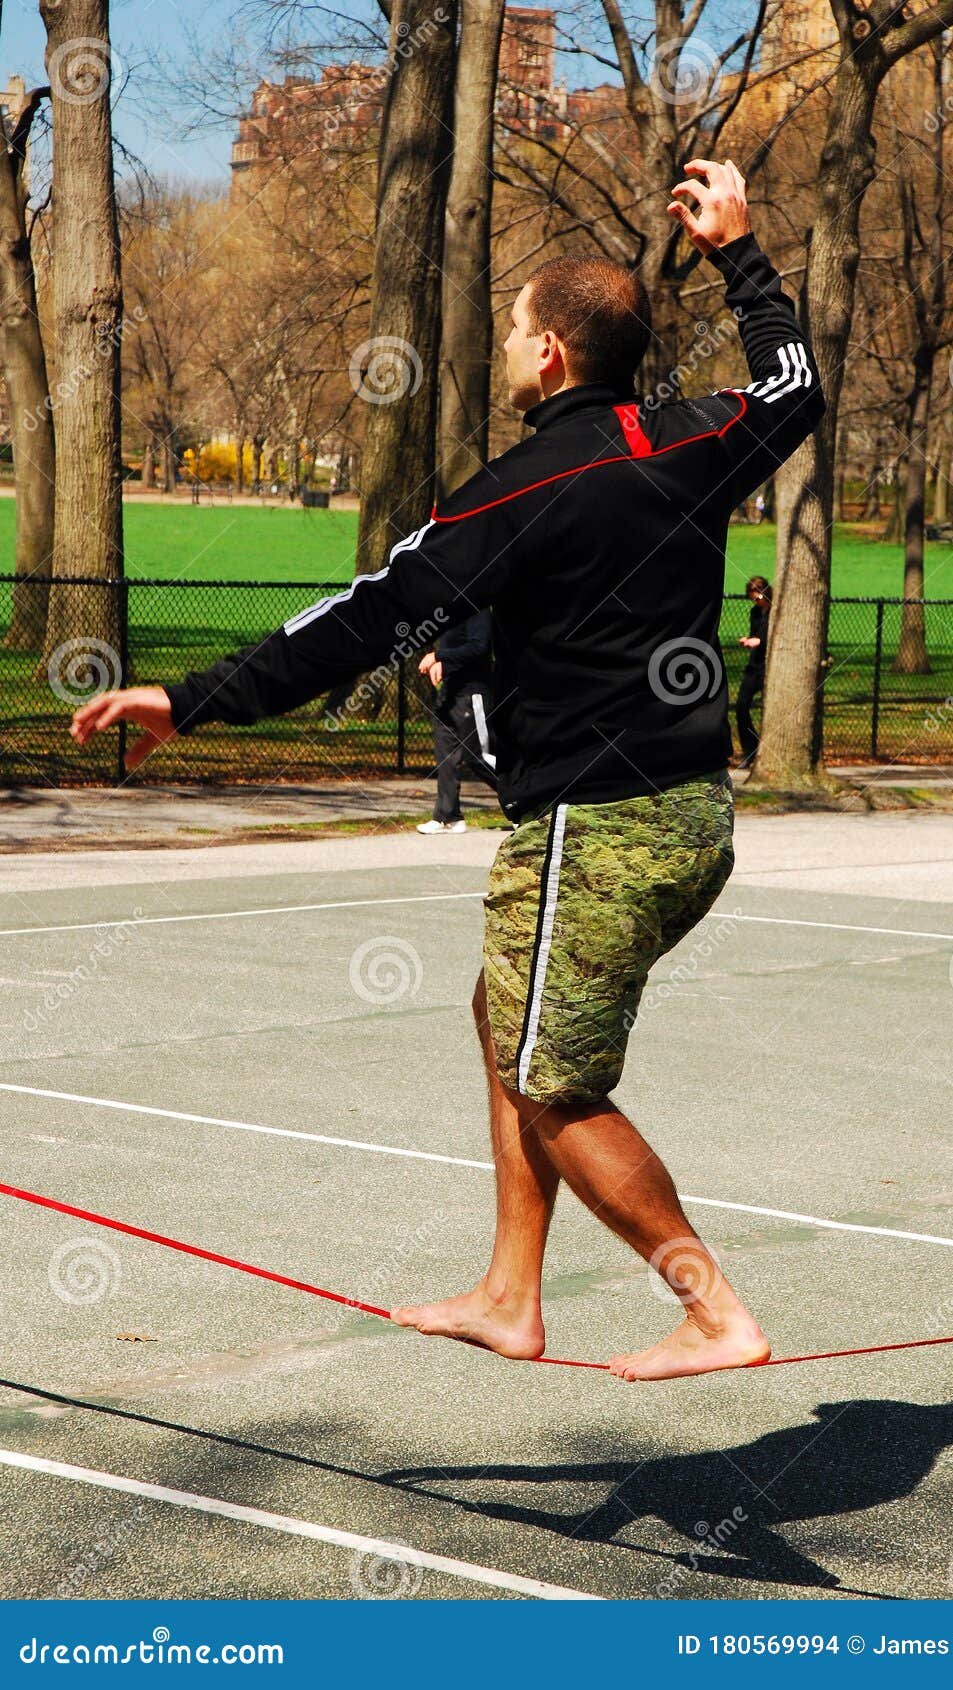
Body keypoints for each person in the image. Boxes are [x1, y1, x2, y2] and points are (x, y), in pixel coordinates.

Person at [70, 160, 824, 1381]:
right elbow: (796, 386)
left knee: (553, 1081)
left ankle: (712, 1308)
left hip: (598, 821)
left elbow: (370, 614)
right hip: (693, 815)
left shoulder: (523, 489)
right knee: (503, 1022)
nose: (511, 347)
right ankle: (511, 1293)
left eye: (521, 330)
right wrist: (742, 251)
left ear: (553, 361)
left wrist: (194, 698)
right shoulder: (699, 437)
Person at [416, 609, 497, 835]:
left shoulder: (476, 611)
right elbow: (457, 653)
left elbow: (478, 648)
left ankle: (525, 802)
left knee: (478, 756)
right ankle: (448, 816)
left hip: (473, 694)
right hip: (450, 694)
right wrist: (443, 663)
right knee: (446, 754)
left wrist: (439, 657)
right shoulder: (450, 614)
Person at [736, 574, 772, 768]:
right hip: (754, 666)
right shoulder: (755, 613)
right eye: (752, 598)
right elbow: (755, 636)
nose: (756, 601)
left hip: (770, 666)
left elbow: (770, 639)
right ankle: (751, 750)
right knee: (741, 707)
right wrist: (748, 641)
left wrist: (759, 641)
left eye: (757, 596)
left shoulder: (776, 612)